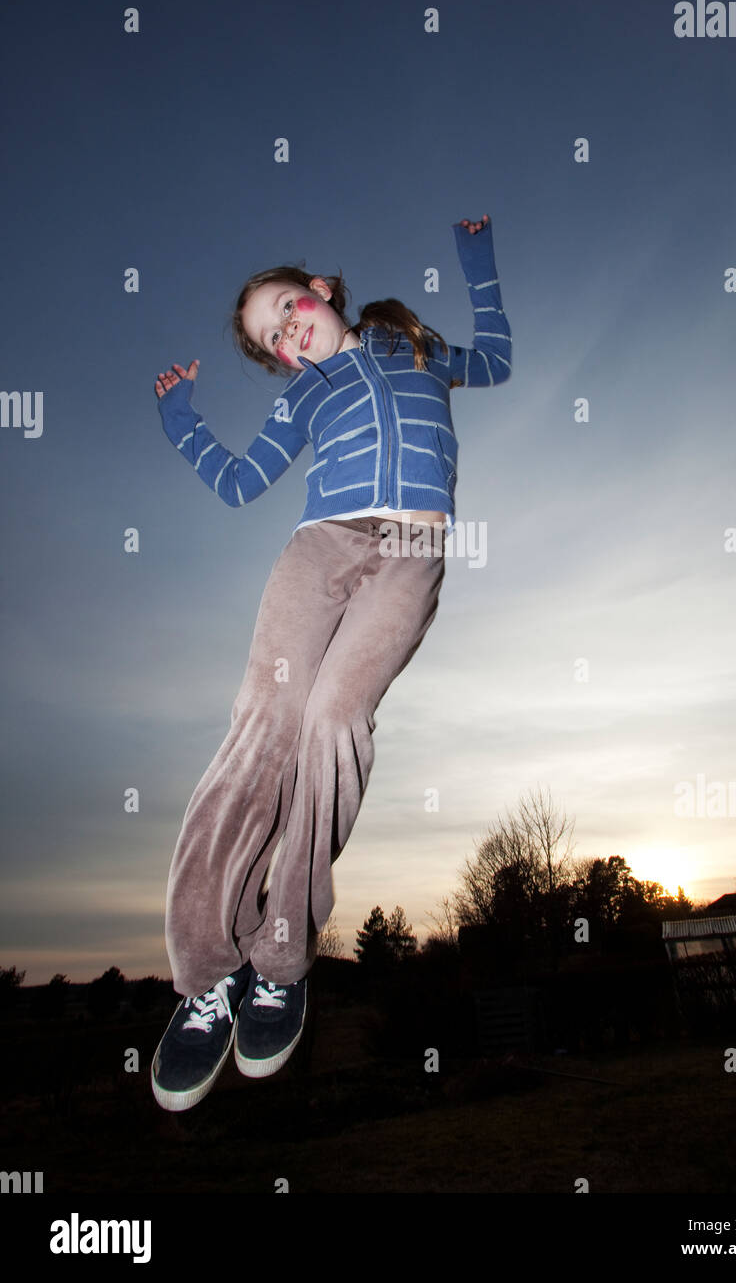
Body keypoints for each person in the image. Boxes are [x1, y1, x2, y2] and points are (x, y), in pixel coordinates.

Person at [150, 214, 511, 1110]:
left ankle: (279, 961)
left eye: (286, 308)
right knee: (264, 723)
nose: (286, 333)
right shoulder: (301, 398)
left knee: (331, 720)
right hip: (319, 549)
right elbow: (241, 483)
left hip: (410, 548)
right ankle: (205, 979)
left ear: (321, 291)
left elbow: (498, 359)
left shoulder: (414, 345)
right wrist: (180, 421)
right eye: (270, 339)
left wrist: (479, 262)